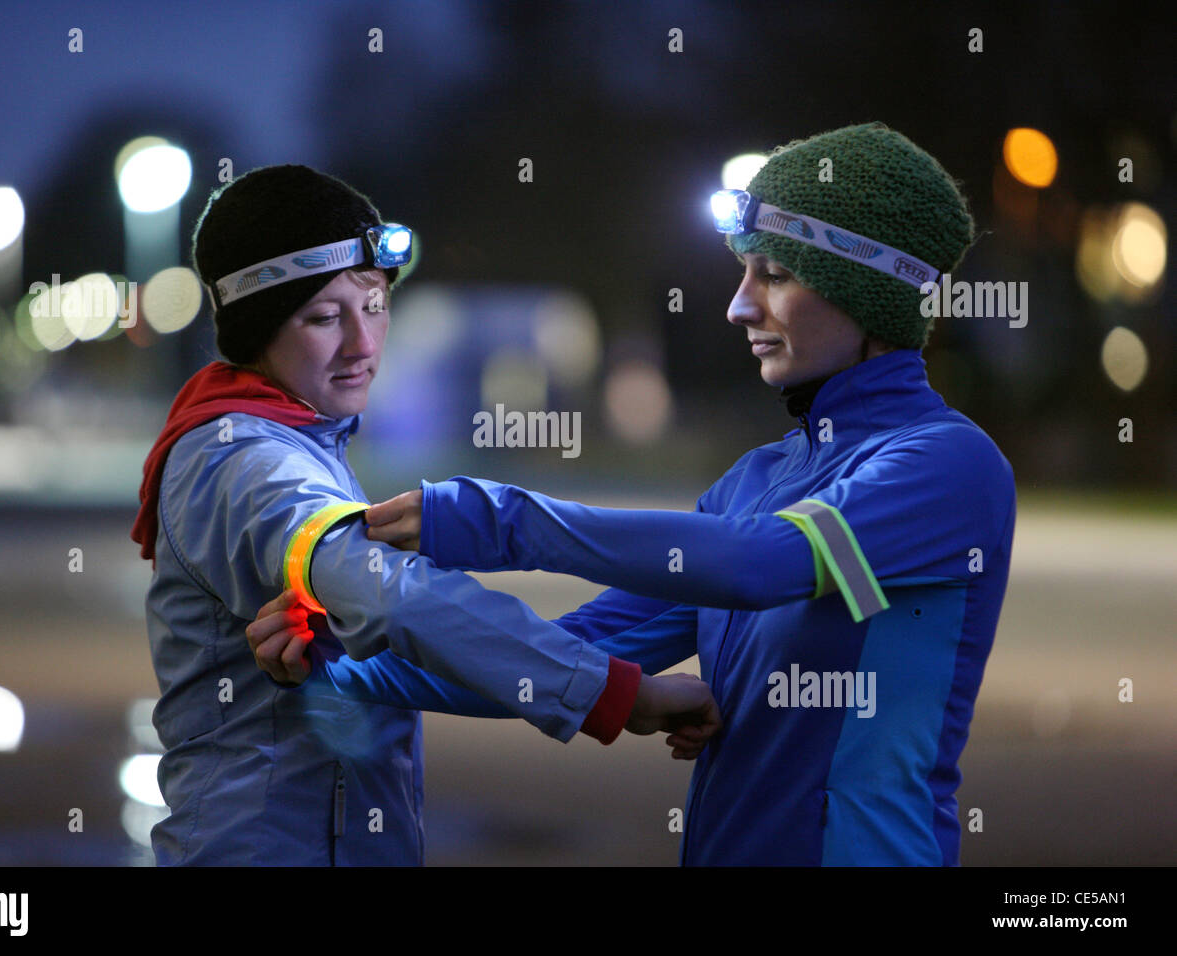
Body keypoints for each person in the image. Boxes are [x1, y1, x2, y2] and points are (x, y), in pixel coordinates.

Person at [358, 123, 1017, 865]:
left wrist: (501, 521)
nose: (739, 306)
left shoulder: (949, 464)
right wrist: (342, 658)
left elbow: (765, 564)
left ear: (866, 294)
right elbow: (559, 656)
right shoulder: (754, 481)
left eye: (774, 274)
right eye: (745, 273)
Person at [130, 165, 719, 866]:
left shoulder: (295, 436)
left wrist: (605, 673)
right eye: (324, 316)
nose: (363, 343)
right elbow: (397, 601)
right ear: (254, 327)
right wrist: (617, 695)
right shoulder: (248, 461)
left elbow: (407, 647)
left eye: (375, 304)